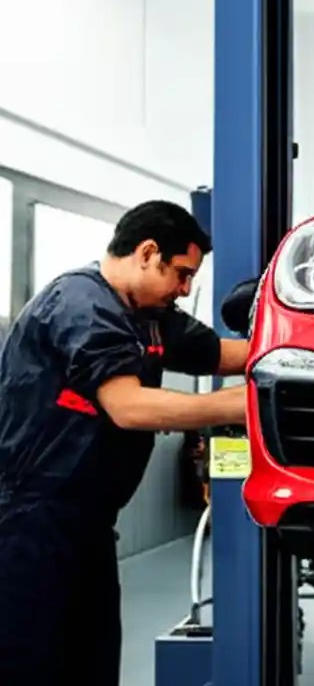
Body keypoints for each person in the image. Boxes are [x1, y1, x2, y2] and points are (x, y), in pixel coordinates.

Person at [0, 200, 250, 685]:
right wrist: (241, 406)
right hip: (30, 525)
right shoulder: (81, 305)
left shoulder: (150, 313)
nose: (187, 288)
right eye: (181, 273)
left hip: (90, 525)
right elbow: (129, 407)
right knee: (31, 665)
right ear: (147, 252)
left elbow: (223, 354)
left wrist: (307, 350)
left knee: (91, 662)